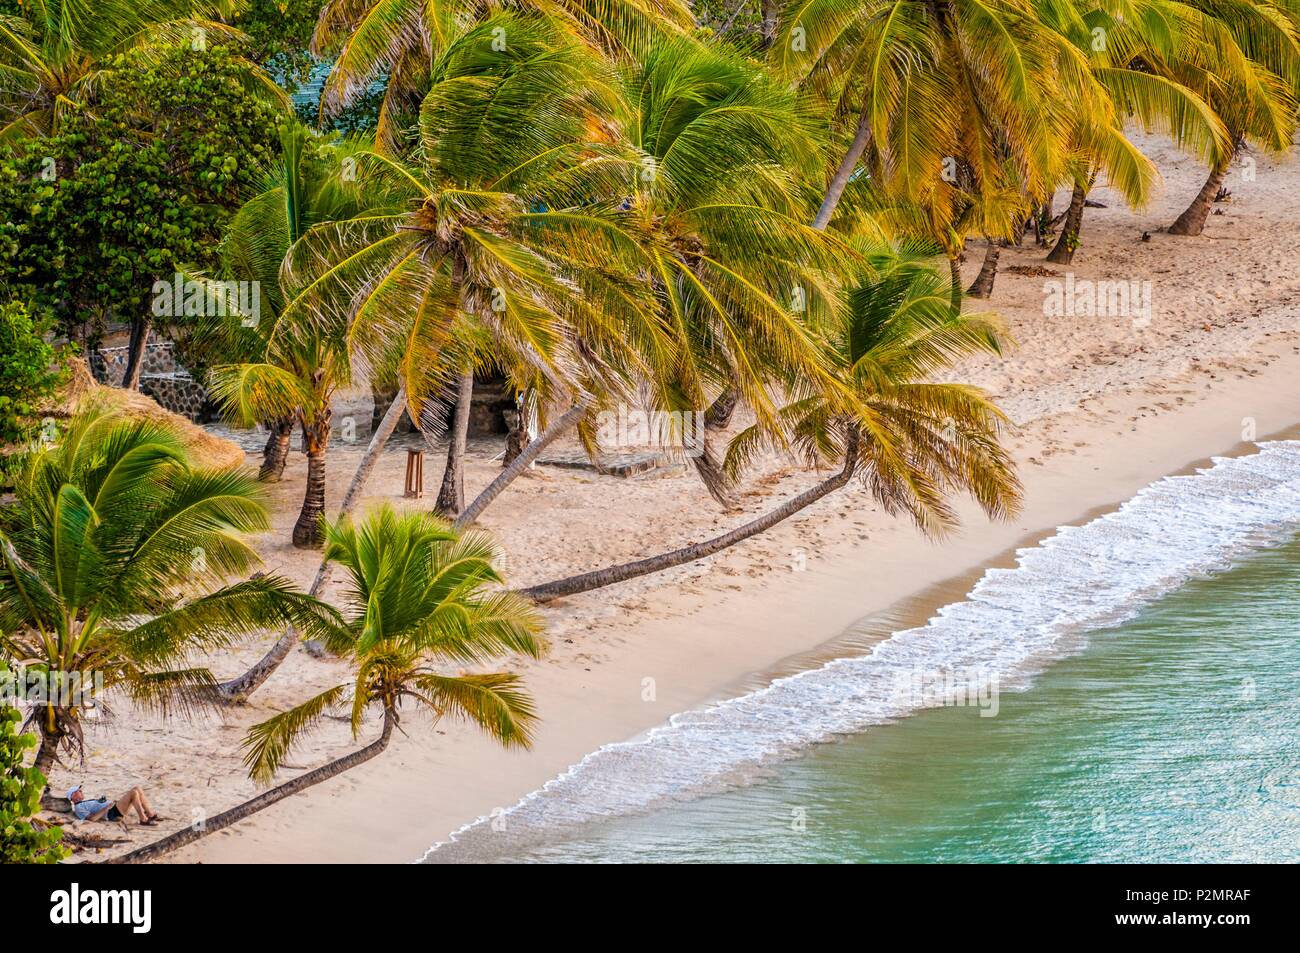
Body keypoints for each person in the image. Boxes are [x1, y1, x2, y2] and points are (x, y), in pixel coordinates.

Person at [67, 784, 160, 825]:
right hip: (111, 813)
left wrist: (103, 802)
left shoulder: (82, 804)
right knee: (134, 793)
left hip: (113, 809)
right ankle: (143, 819)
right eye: (79, 791)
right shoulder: (79, 808)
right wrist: (106, 808)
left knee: (137, 788)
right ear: (73, 795)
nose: (81, 791)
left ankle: (150, 814)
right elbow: (92, 819)